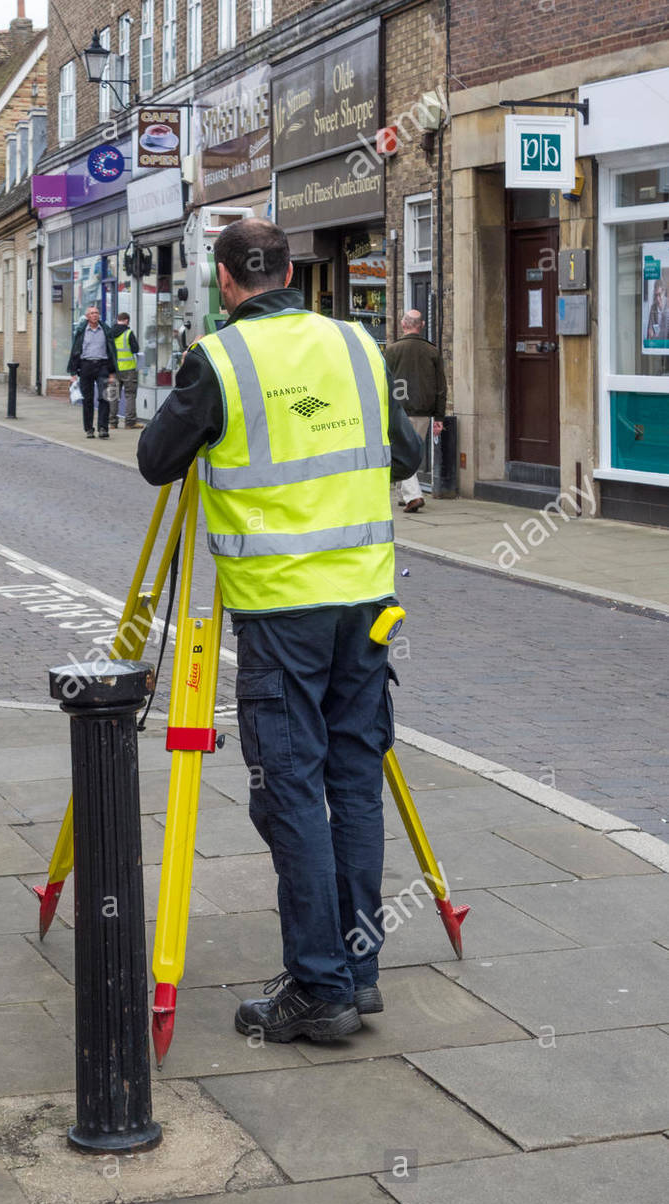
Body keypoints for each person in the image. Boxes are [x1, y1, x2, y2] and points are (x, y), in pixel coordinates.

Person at [138, 219, 421, 1045]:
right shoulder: (358, 345)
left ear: (227, 282)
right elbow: (401, 458)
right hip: (367, 604)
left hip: (279, 610)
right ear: (291, 271)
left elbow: (158, 459)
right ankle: (358, 972)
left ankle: (319, 989)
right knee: (354, 782)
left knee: (290, 789)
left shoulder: (218, 359)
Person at [383, 309, 447, 513]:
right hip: (423, 412)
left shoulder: (392, 351)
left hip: (398, 410)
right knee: (410, 452)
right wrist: (439, 417)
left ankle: (414, 496)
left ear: (403, 325)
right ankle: (403, 495)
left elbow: (383, 382)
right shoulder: (432, 351)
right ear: (422, 326)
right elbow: (441, 387)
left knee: (402, 452)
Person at [67, 305, 118, 439]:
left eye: (96, 313)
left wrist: (112, 372)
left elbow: (112, 351)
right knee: (87, 399)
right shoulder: (81, 331)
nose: (95, 315)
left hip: (103, 366)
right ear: (87, 316)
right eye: (92, 313)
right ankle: (89, 428)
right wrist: (73, 372)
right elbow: (75, 351)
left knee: (104, 397)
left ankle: (103, 428)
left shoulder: (105, 330)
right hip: (86, 366)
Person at [112, 311, 141, 429]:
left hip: (113, 369)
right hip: (128, 369)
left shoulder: (110, 333)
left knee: (113, 396)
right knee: (130, 395)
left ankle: (112, 422)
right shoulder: (128, 333)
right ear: (127, 321)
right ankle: (130, 422)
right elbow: (135, 349)